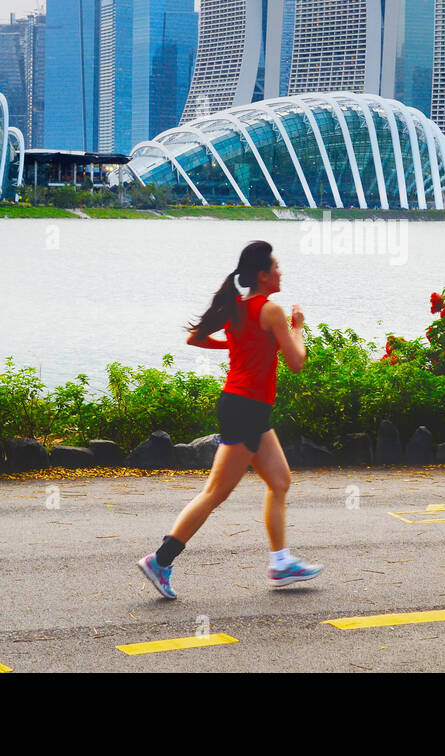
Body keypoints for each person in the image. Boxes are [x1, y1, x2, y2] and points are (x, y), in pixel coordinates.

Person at [138, 241, 323, 599]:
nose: (281, 272)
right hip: (247, 409)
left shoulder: (237, 308)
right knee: (214, 493)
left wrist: (235, 345)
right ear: (263, 275)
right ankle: (161, 560)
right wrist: (298, 327)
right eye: (277, 267)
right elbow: (296, 362)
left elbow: (195, 338)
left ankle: (281, 562)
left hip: (244, 406)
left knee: (280, 481)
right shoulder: (271, 311)